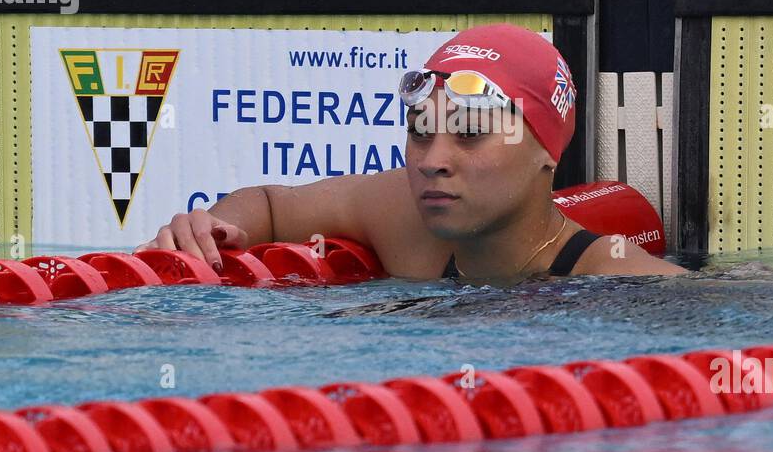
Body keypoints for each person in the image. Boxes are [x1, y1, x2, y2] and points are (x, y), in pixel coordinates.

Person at [137, 24, 685, 282]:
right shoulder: (401, 217)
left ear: (547, 150)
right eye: (420, 131)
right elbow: (273, 205)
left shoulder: (614, 278)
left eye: (469, 134)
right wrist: (212, 228)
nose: (431, 159)